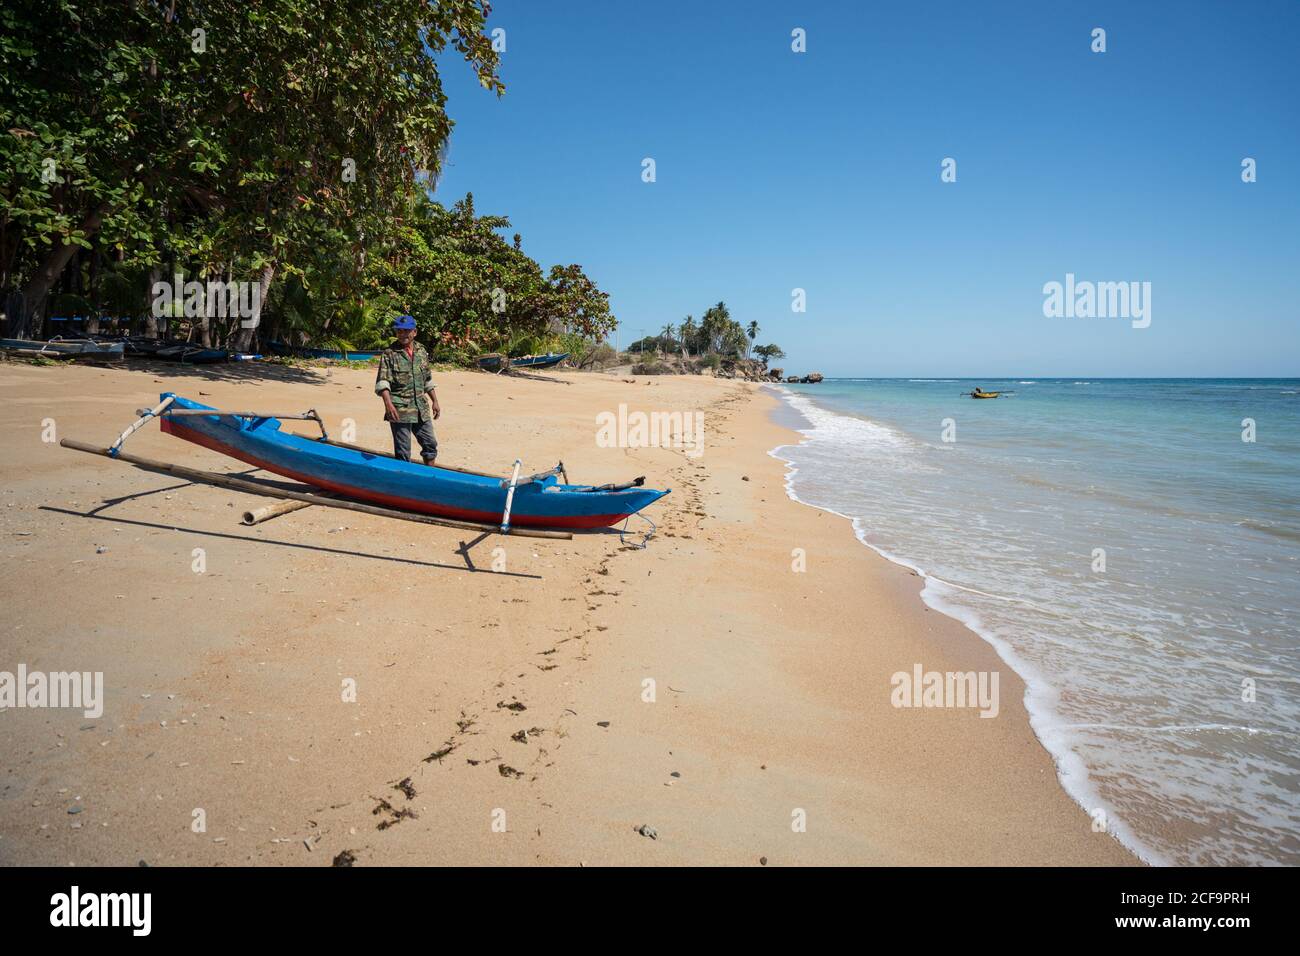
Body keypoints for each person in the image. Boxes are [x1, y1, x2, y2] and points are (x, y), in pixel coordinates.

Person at [375, 315, 441, 464]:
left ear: (414, 332)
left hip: (420, 408)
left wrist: (435, 401)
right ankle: (404, 482)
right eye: (399, 331)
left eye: (407, 331)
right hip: (399, 408)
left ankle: (429, 476)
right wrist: (388, 404)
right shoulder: (389, 353)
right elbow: (383, 382)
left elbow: (428, 379)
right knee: (403, 451)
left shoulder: (421, 351)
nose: (403, 334)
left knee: (430, 445)